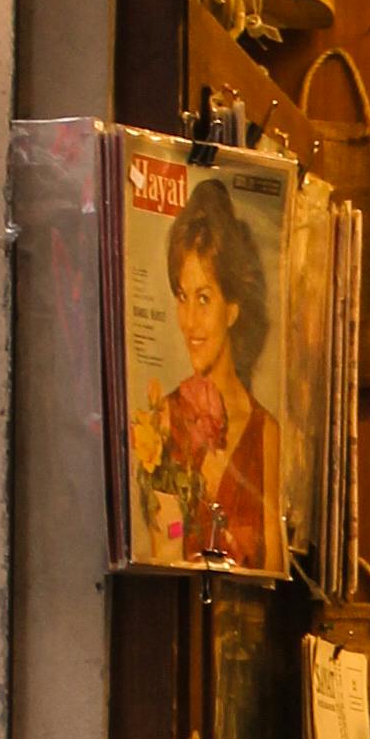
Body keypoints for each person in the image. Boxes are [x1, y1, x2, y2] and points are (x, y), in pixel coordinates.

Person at [130, 173, 277, 570]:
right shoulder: (162, 421)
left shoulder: (265, 433)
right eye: (183, 296)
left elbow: (275, 573)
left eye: (204, 298)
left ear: (232, 308)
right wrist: (177, 535)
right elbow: (162, 545)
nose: (189, 321)